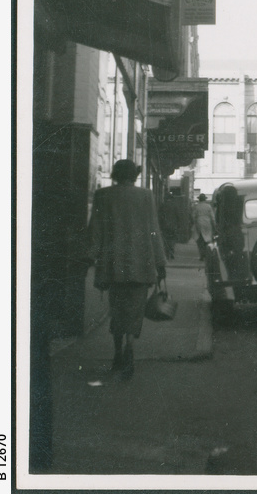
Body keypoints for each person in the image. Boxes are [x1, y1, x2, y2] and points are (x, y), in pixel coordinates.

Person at [87, 159, 166, 379]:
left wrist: (89, 257)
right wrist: (160, 262)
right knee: (134, 309)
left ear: (114, 174)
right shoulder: (145, 196)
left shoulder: (103, 195)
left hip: (113, 266)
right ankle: (130, 346)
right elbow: (153, 231)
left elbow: (96, 231)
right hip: (141, 264)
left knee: (117, 308)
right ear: (134, 175)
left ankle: (117, 352)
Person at [192, 192, 217, 261]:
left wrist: (195, 223)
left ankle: (202, 255)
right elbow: (212, 217)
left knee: (200, 240)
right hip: (207, 223)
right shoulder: (208, 206)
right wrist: (214, 225)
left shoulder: (197, 206)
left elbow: (193, 216)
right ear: (205, 199)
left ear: (199, 199)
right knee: (208, 239)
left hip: (199, 222)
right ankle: (207, 254)